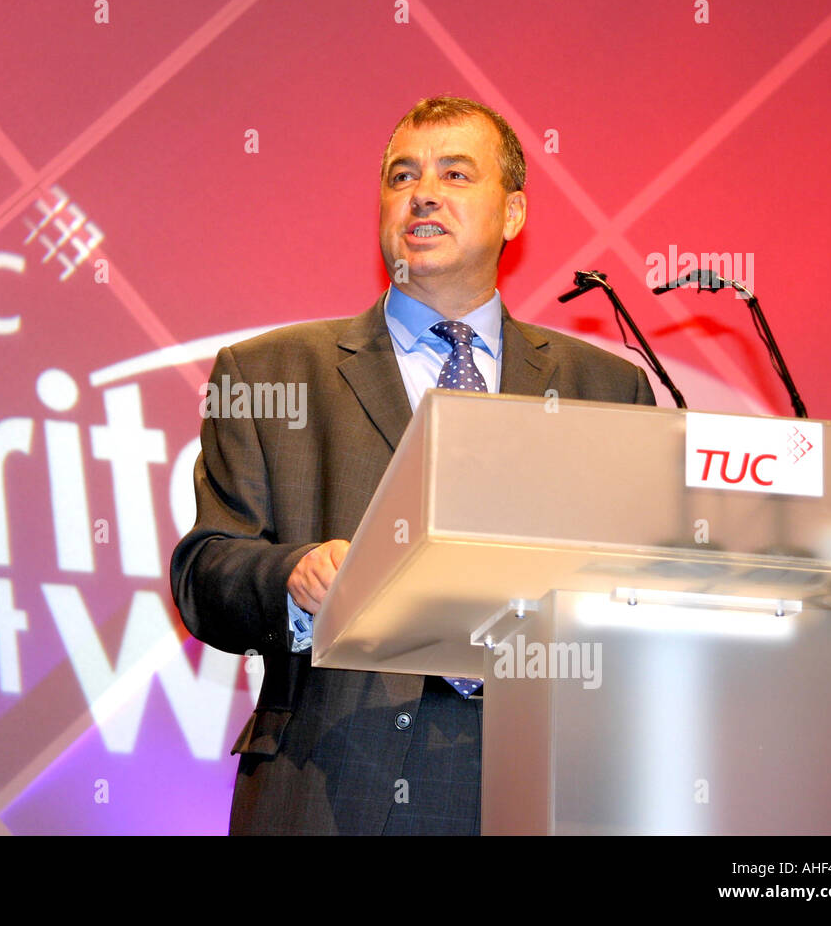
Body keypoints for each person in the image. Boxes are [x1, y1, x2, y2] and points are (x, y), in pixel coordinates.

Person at [170, 96, 656, 835]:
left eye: (456, 173)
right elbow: (206, 571)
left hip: (538, 790)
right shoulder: (270, 371)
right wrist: (294, 579)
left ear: (514, 212)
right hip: (332, 783)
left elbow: (638, 591)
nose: (423, 191)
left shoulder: (604, 387)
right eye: (403, 176)